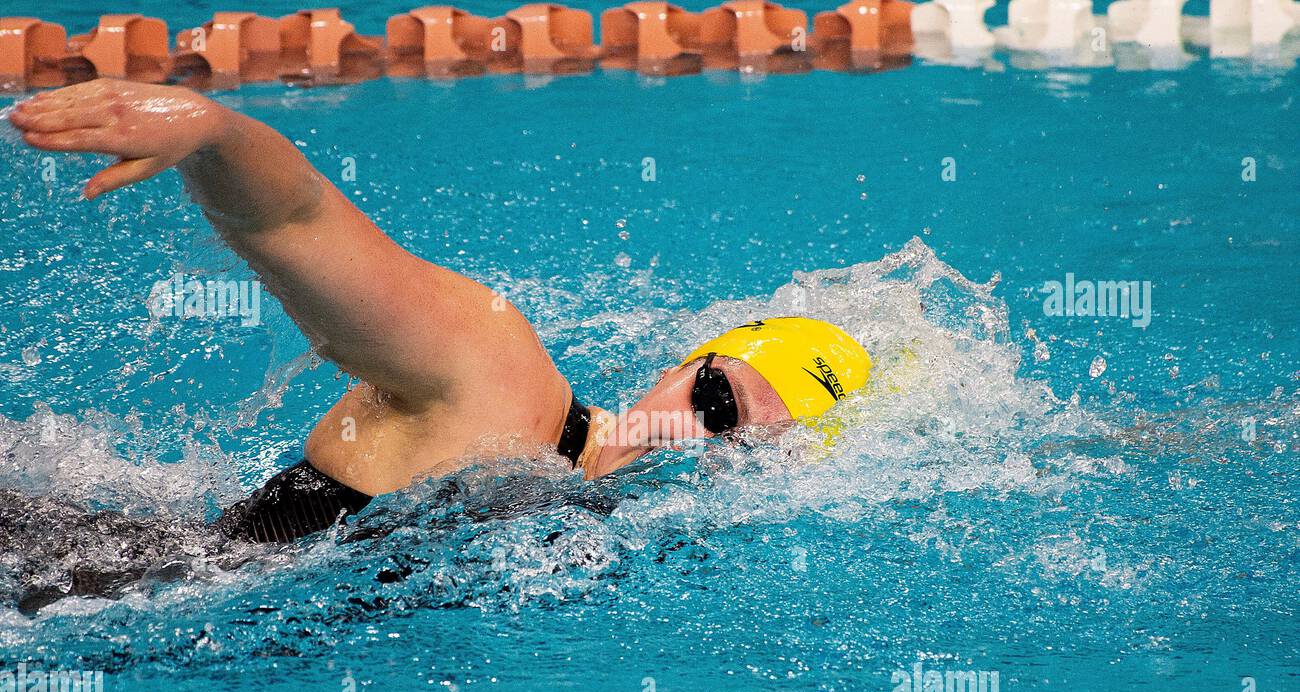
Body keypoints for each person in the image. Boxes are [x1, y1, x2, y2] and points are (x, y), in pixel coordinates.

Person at [8, 79, 874, 545]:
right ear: (688, 364)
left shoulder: (593, 530)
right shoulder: (496, 371)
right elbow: (297, 218)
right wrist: (210, 133)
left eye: (744, 441)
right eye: (716, 399)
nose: (700, 435)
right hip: (81, 581)